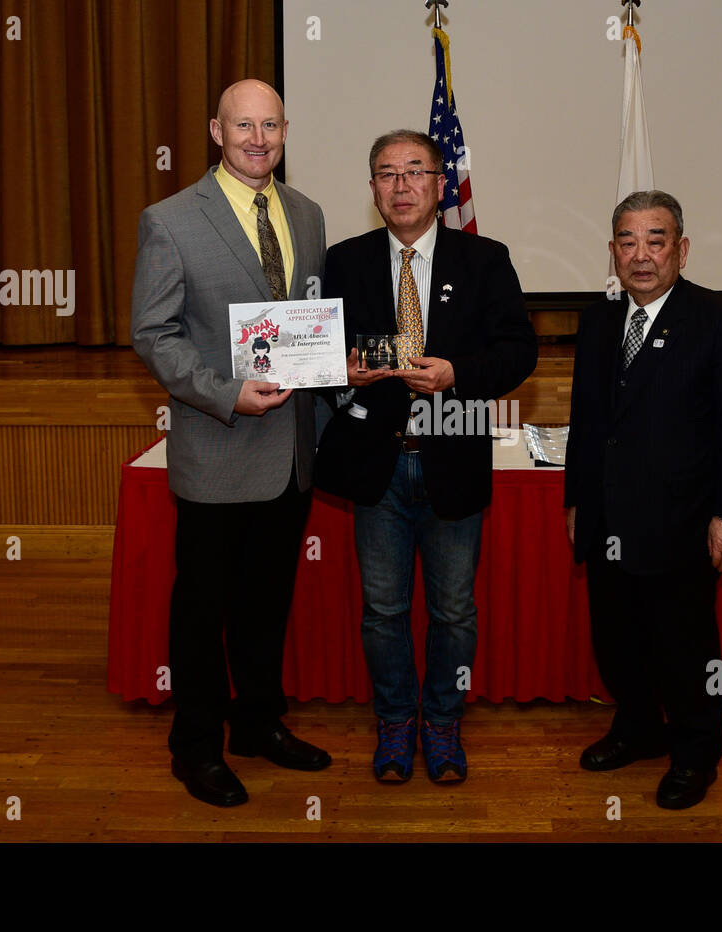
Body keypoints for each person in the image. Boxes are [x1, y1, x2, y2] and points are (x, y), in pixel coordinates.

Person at [131, 79, 330, 808]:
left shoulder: (307, 214)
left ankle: (257, 725)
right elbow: (152, 334)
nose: (257, 138)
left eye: (269, 125)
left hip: (290, 454)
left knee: (266, 604)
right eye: (242, 126)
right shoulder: (171, 220)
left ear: (285, 130)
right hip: (217, 450)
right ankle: (197, 746)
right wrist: (224, 391)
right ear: (216, 131)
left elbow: (309, 321)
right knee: (202, 612)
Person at [315, 130, 537, 783]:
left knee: (453, 611)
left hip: (452, 459)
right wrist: (340, 374)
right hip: (374, 463)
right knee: (382, 611)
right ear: (374, 189)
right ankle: (394, 725)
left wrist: (456, 375)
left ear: (442, 185)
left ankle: (441, 725)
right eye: (387, 174)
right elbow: (316, 354)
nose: (401, 185)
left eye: (415, 172)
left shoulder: (484, 259)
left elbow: (519, 352)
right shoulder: (344, 260)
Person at [563, 190, 722, 810]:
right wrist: (576, 501)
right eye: (628, 241)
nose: (641, 255)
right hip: (607, 518)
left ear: (682, 247)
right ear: (614, 252)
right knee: (616, 641)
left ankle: (698, 749)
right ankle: (640, 727)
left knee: (682, 647)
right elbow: (588, 422)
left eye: (656, 240)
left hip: (681, 523)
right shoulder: (599, 320)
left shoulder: (720, 319)